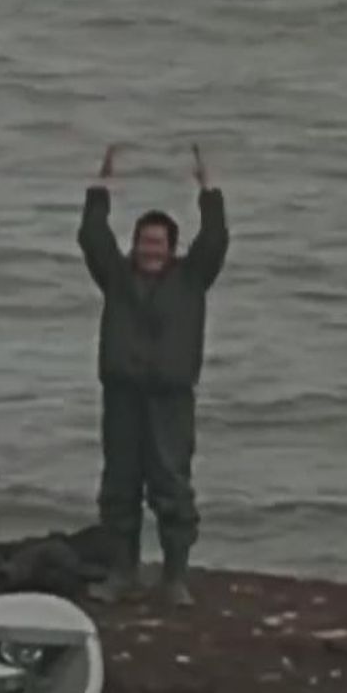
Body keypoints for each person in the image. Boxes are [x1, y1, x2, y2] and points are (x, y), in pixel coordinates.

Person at [77, 143, 228, 607]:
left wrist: (210, 189)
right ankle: (123, 573)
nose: (150, 249)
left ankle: (174, 577)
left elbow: (216, 238)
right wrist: (101, 185)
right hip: (122, 397)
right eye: (144, 241)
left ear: (171, 247)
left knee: (172, 484)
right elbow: (91, 236)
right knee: (119, 484)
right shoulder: (116, 276)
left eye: (158, 242)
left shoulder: (192, 277)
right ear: (135, 244)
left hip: (171, 401)